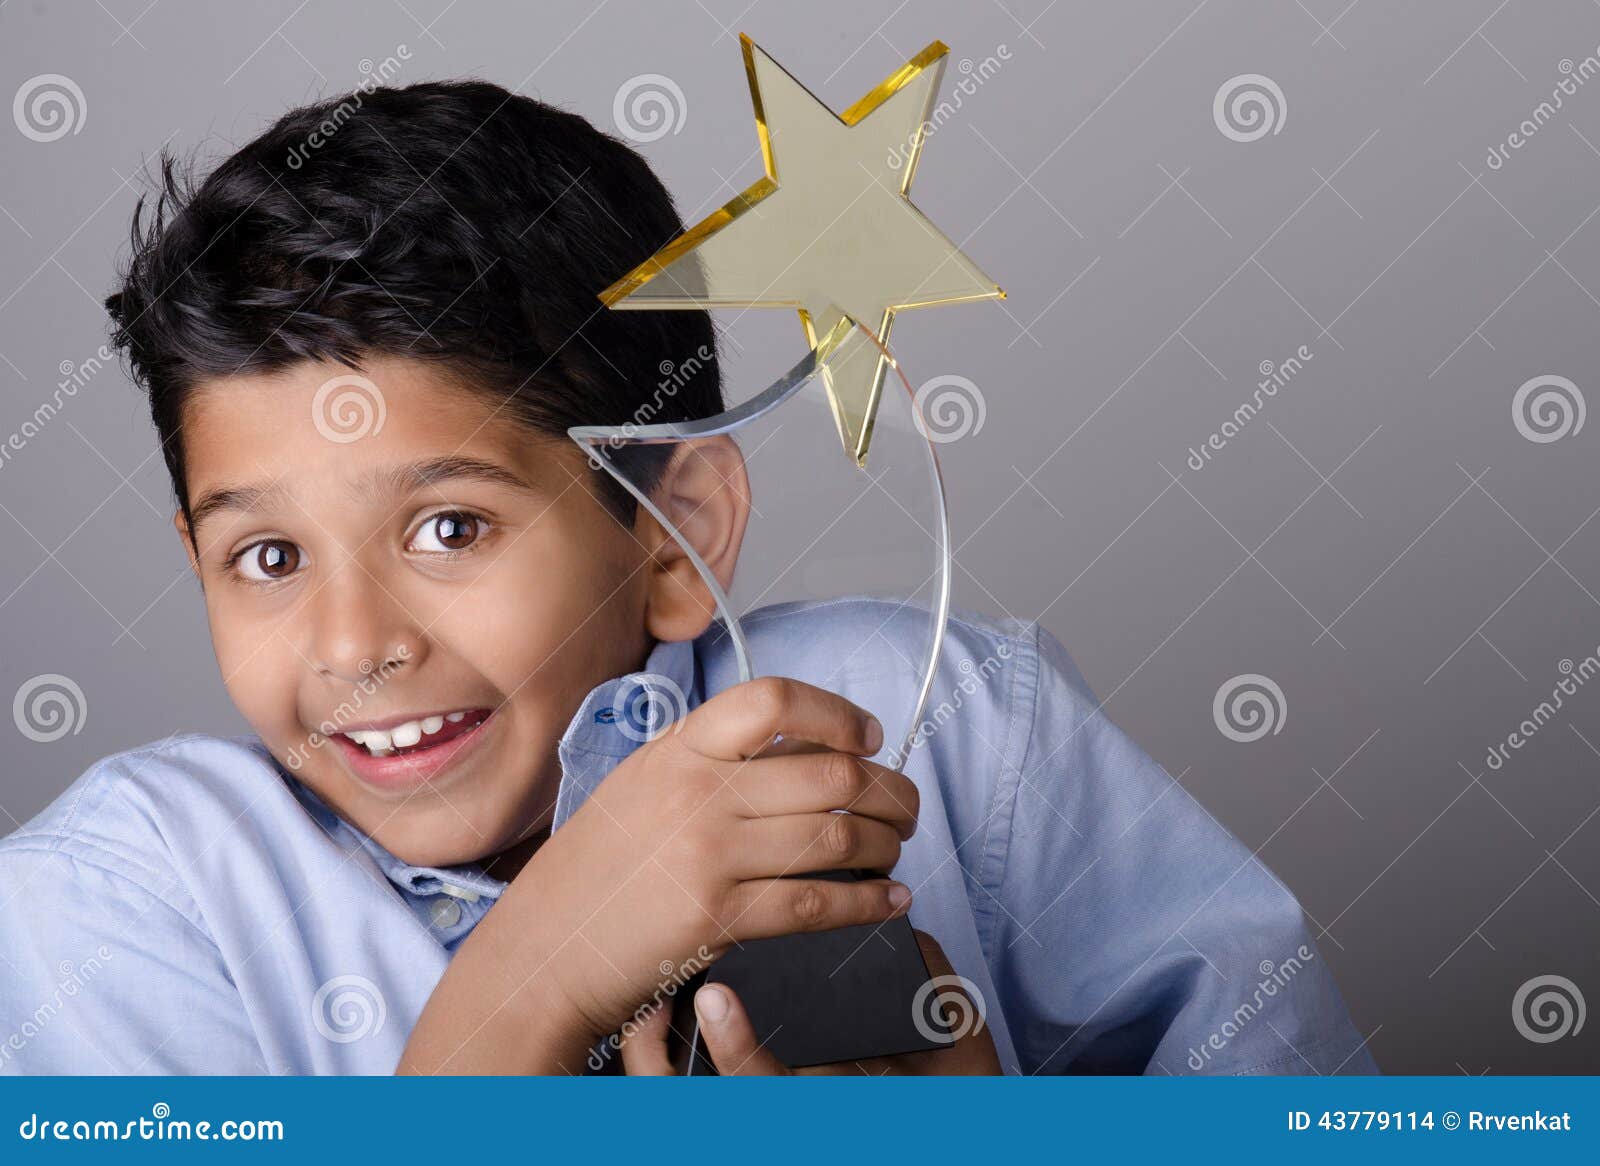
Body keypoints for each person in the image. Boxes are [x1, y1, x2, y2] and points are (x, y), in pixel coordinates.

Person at [0, 80, 1375, 1077]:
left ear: (673, 530)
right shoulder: (117, 906)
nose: (354, 641)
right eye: (270, 556)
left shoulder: (940, 724)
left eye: (449, 529)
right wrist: (539, 974)